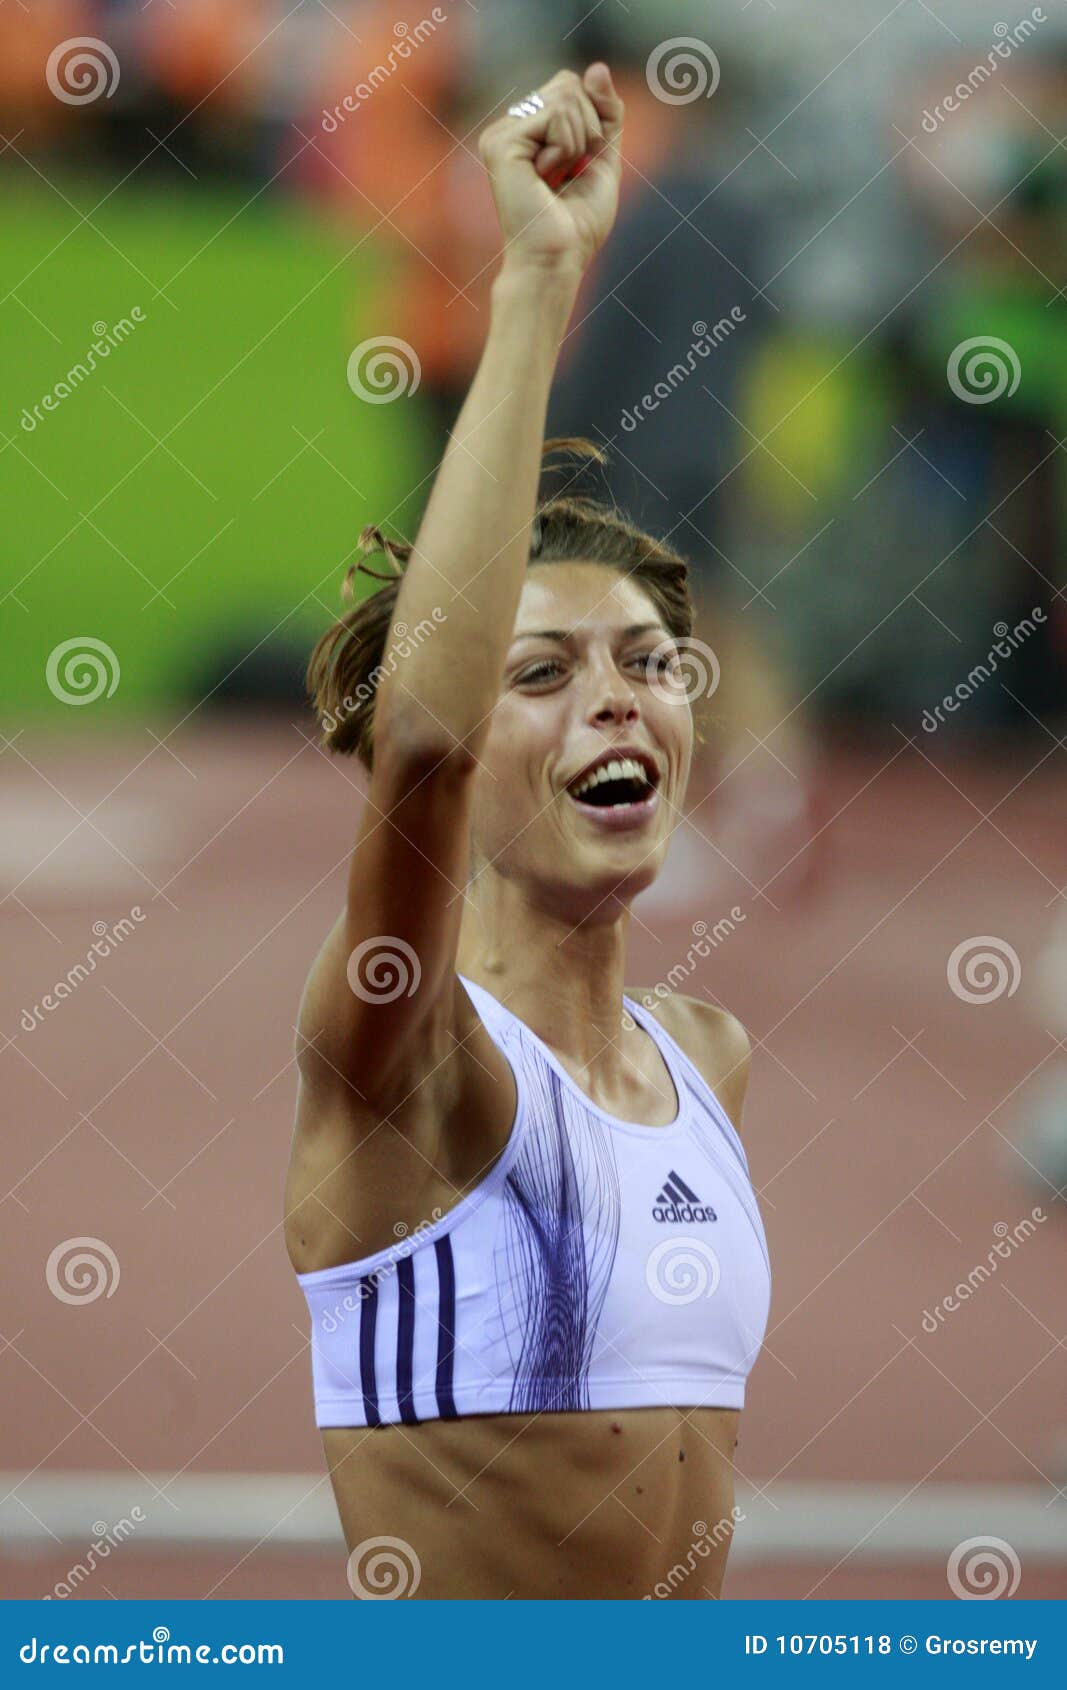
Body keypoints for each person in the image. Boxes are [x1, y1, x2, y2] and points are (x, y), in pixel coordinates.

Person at [285, 64, 770, 1601]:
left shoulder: (709, 1053)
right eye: (544, 675)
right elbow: (421, 743)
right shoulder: (408, 1057)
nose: (616, 704)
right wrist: (538, 283)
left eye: (645, 662)